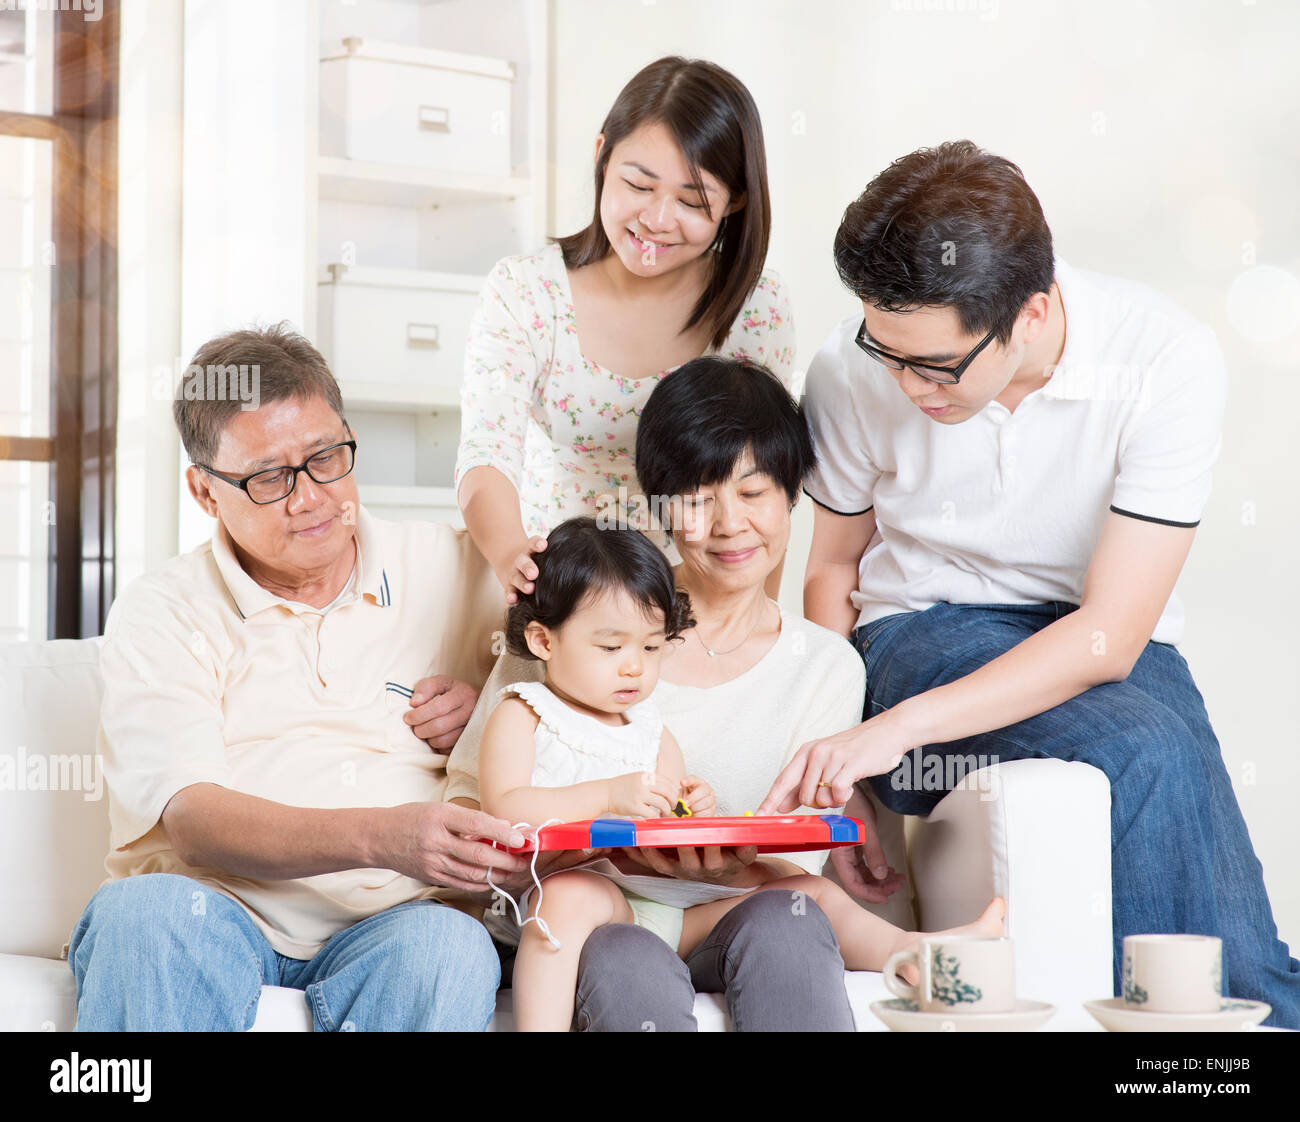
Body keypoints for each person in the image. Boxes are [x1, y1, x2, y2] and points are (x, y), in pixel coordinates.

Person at [759, 140, 1300, 1028]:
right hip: (919, 631)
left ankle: (1244, 1027)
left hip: (1088, 629)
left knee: (1226, 915)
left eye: (934, 366)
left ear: (1033, 311)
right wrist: (854, 758)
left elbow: (1110, 636)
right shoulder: (851, 368)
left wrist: (891, 739)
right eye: (883, 348)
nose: (904, 383)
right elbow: (830, 568)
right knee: (1148, 748)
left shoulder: (1164, 359)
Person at [69, 325, 589, 1032]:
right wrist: (382, 836)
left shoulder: (457, 569)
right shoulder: (163, 609)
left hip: (397, 922)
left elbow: (610, 689)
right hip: (209, 907)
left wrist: (499, 718)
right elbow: (192, 820)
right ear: (204, 491)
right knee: (146, 918)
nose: (310, 498)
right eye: (269, 476)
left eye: (325, 458)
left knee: (449, 947)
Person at [478, 517, 1005, 1032]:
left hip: (674, 906)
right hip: (597, 903)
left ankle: (913, 951)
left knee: (799, 890)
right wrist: (608, 795)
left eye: (651, 647)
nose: (635, 667)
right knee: (570, 894)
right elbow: (503, 806)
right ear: (544, 642)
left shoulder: (651, 729)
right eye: (611, 647)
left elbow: (672, 817)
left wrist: (693, 807)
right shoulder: (525, 713)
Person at [454, 55, 796, 607]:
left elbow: (769, 490)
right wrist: (512, 557)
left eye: (691, 200)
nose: (657, 220)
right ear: (601, 157)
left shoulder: (755, 310)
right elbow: (486, 453)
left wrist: (758, 625)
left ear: (734, 202)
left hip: (698, 603)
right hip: (560, 592)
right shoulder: (526, 291)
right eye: (638, 185)